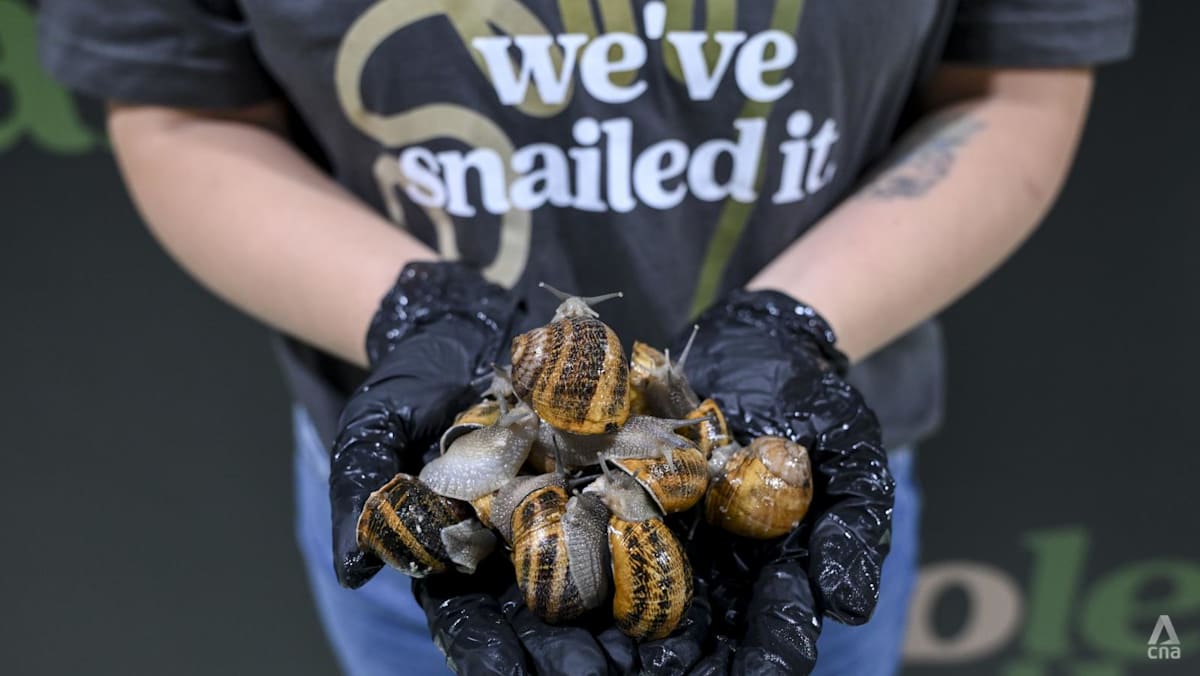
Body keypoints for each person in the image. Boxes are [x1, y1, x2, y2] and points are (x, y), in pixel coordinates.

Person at [38, 1, 1135, 674]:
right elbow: (182, 103)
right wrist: (415, 305)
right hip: (413, 466)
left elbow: (1014, 78)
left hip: (808, 498)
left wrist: (794, 321)